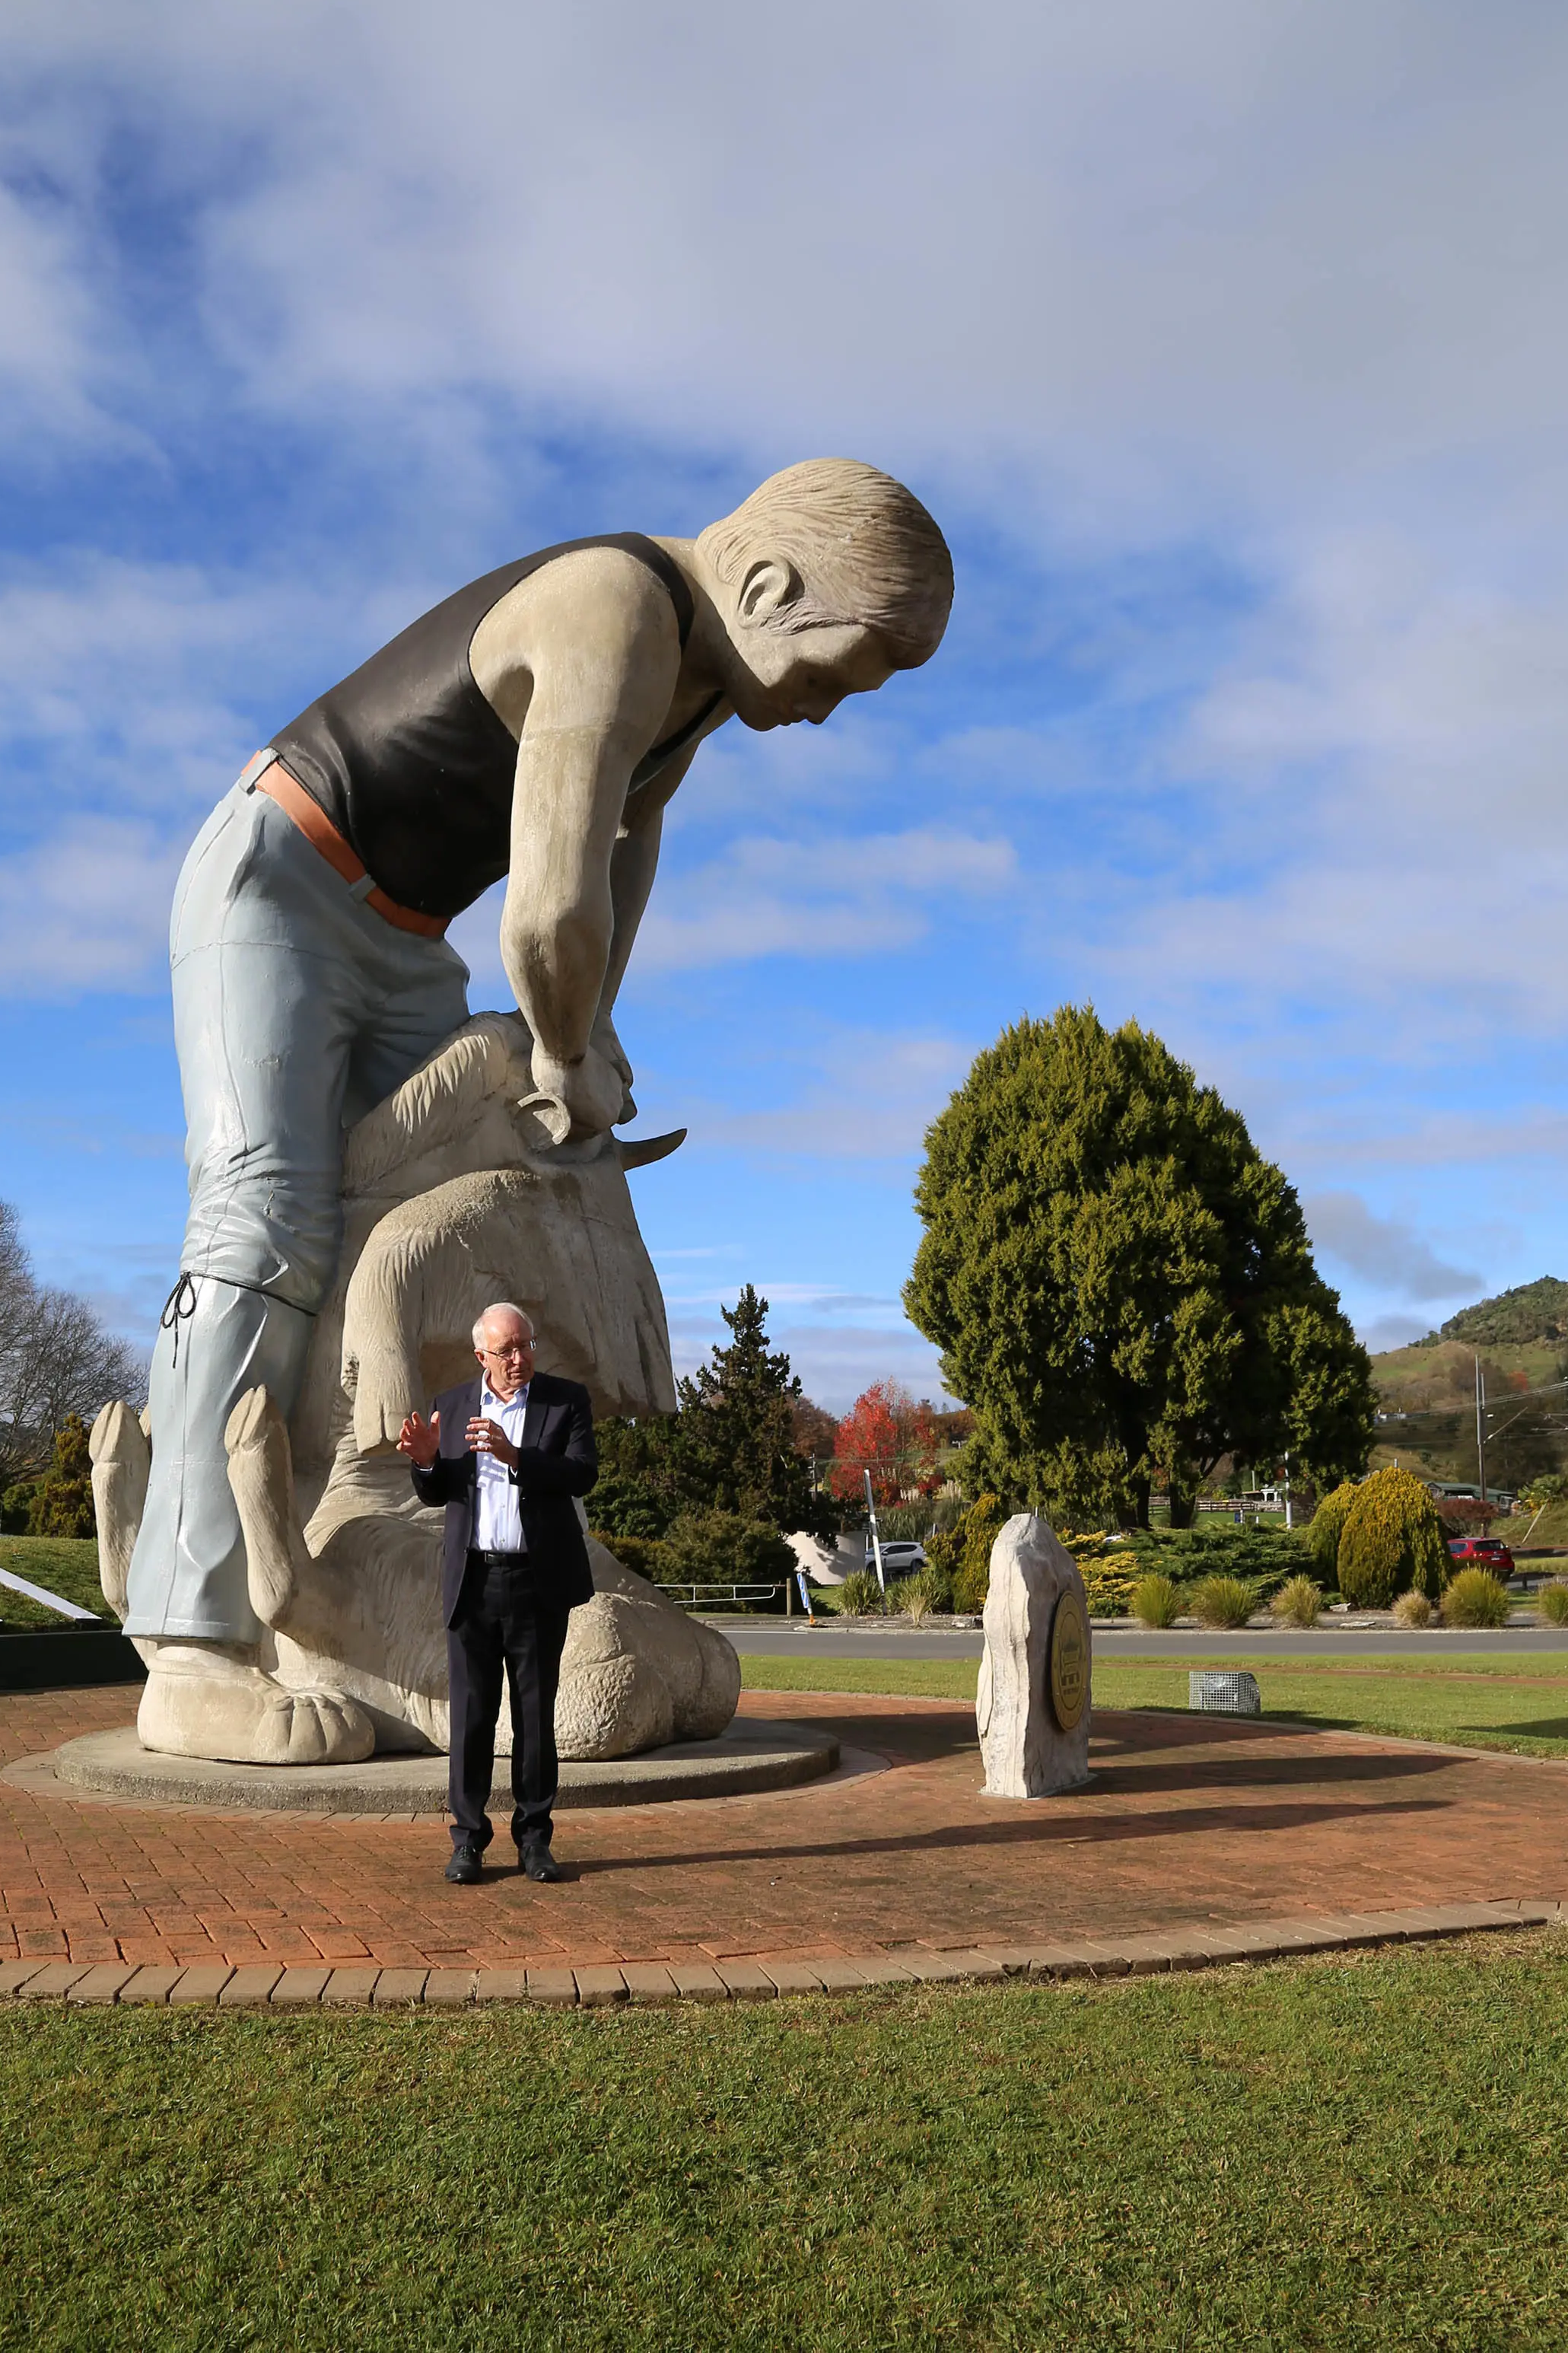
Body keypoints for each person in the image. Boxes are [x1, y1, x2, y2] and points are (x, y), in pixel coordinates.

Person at [120, 458, 953, 1761]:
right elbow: (549, 910)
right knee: (266, 1217)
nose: (833, 706)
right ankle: (188, 1643)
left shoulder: (695, 685)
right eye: (843, 666)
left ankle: (322, 1589)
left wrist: (588, 1034)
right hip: (277, 887)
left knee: (433, 1173)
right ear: (769, 585)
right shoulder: (614, 610)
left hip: (398, 937)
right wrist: (562, 1044)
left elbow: (624, 846)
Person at [398, 1302, 596, 1881]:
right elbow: (438, 1493)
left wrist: (517, 1459)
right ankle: (468, 1840)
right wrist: (428, 1463)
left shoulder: (565, 1400)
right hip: (473, 1580)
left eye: (526, 1345)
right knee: (471, 1716)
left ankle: (535, 1840)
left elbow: (582, 1473)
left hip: (538, 1580)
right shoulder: (453, 1405)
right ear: (481, 1355)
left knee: (534, 1717)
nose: (519, 1358)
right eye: (506, 1350)